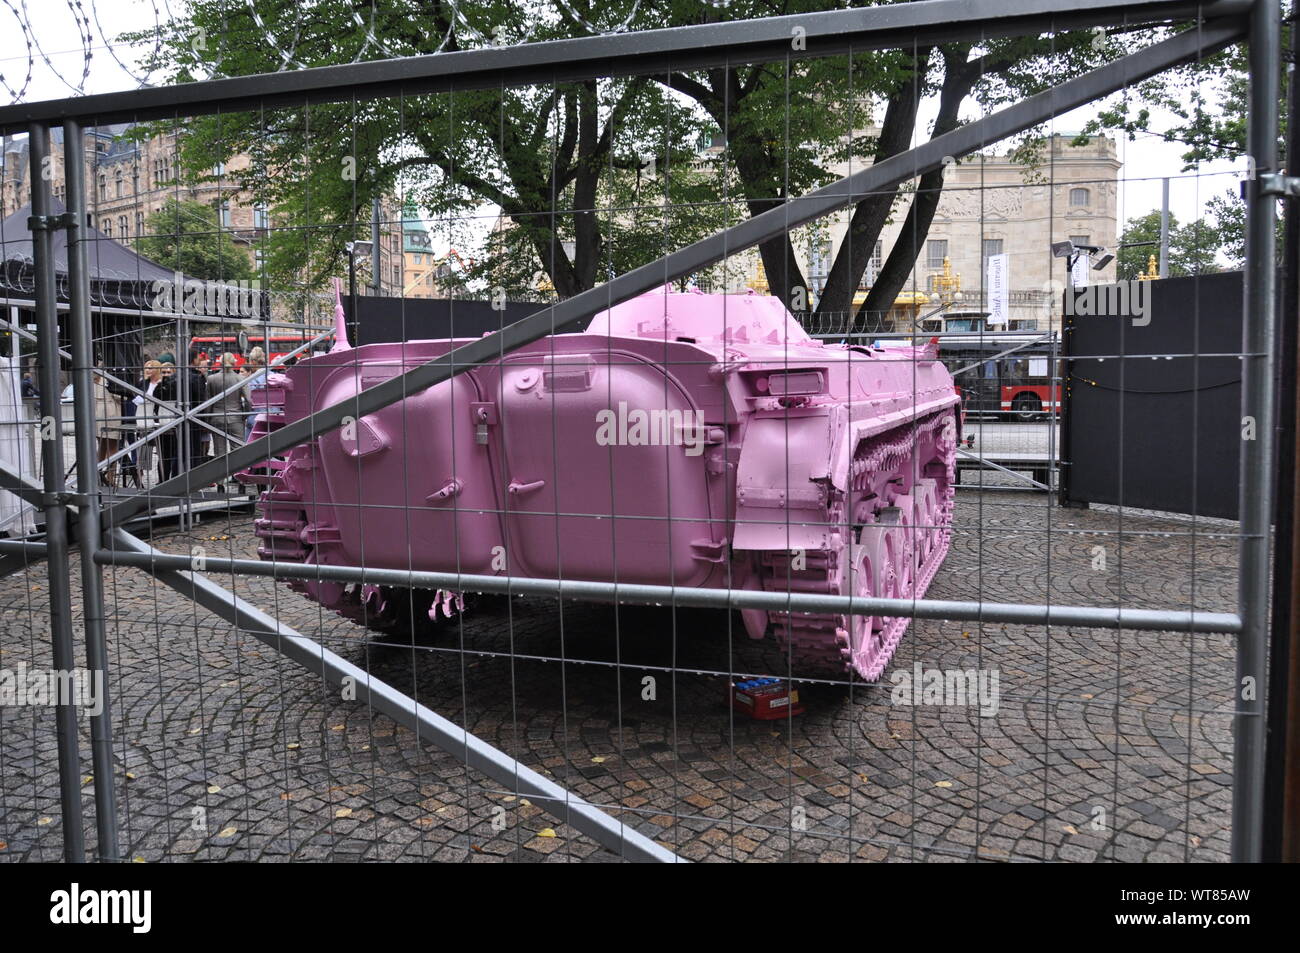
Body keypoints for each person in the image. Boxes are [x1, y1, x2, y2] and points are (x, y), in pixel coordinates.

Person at [205, 352, 248, 469]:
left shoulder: (211, 379)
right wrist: (244, 415)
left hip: (217, 418)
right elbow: (249, 400)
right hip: (236, 418)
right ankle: (238, 477)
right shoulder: (240, 378)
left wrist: (208, 419)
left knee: (220, 453)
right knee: (238, 451)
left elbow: (208, 402)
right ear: (234, 363)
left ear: (220, 363)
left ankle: (221, 479)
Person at [134, 359, 164, 482]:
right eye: (146, 367)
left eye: (150, 368)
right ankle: (140, 476)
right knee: (144, 447)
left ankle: (162, 477)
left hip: (159, 418)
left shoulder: (162, 383)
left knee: (161, 449)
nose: (147, 370)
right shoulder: (143, 383)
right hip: (145, 417)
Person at [155, 361, 180, 482]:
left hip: (175, 424)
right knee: (163, 456)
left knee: (176, 454)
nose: (166, 375)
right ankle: (162, 480)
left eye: (168, 372)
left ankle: (174, 480)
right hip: (162, 424)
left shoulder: (178, 387)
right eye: (163, 372)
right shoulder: (158, 387)